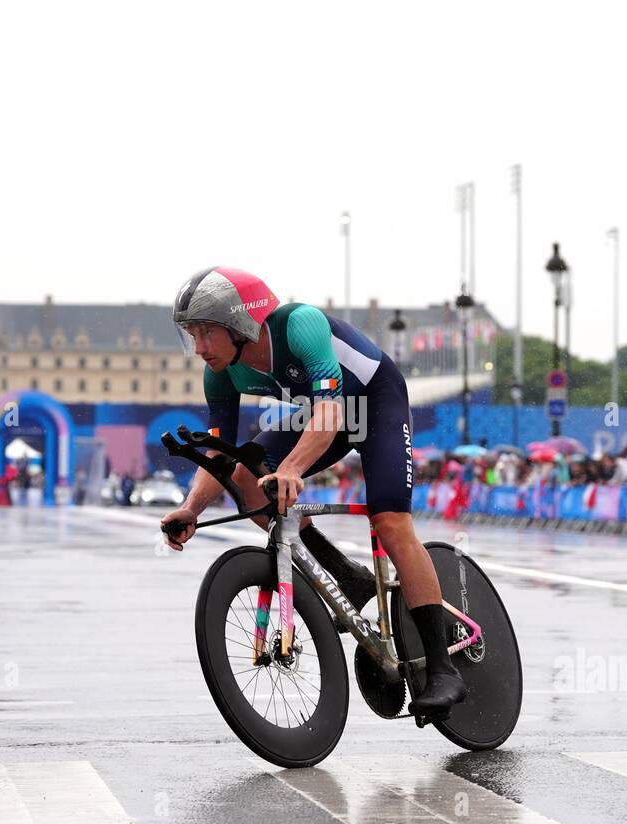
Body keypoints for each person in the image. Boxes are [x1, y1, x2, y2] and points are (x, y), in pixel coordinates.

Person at [159, 266, 465, 716]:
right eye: (192, 335)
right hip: (326, 414)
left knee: (390, 522)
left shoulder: (300, 325)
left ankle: (444, 671)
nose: (199, 348)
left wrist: (292, 468)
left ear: (240, 323)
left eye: (206, 333)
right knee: (246, 478)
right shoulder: (221, 373)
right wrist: (190, 508)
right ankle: (346, 572)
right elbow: (221, 455)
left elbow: (331, 411)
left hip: (375, 404)